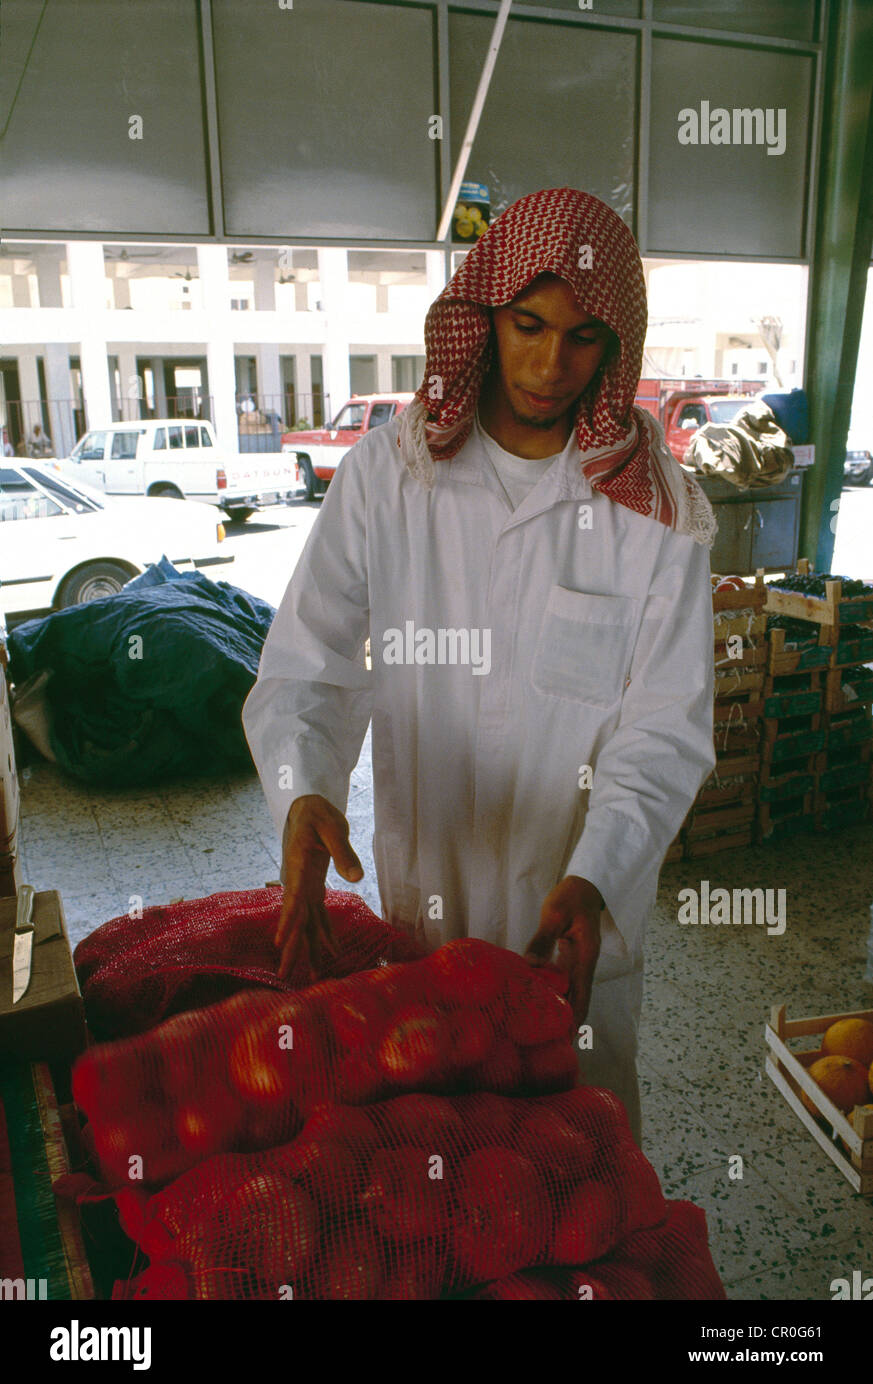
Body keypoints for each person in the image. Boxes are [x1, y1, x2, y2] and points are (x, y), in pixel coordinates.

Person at [242, 187, 717, 1142]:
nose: (549, 364)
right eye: (527, 324)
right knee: (436, 1162)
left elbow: (663, 730)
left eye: (582, 337)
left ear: (615, 346)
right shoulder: (390, 476)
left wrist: (597, 876)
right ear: (483, 314)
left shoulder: (653, 514)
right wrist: (303, 791)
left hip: (574, 920)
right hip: (429, 906)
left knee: (573, 1167)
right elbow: (309, 661)